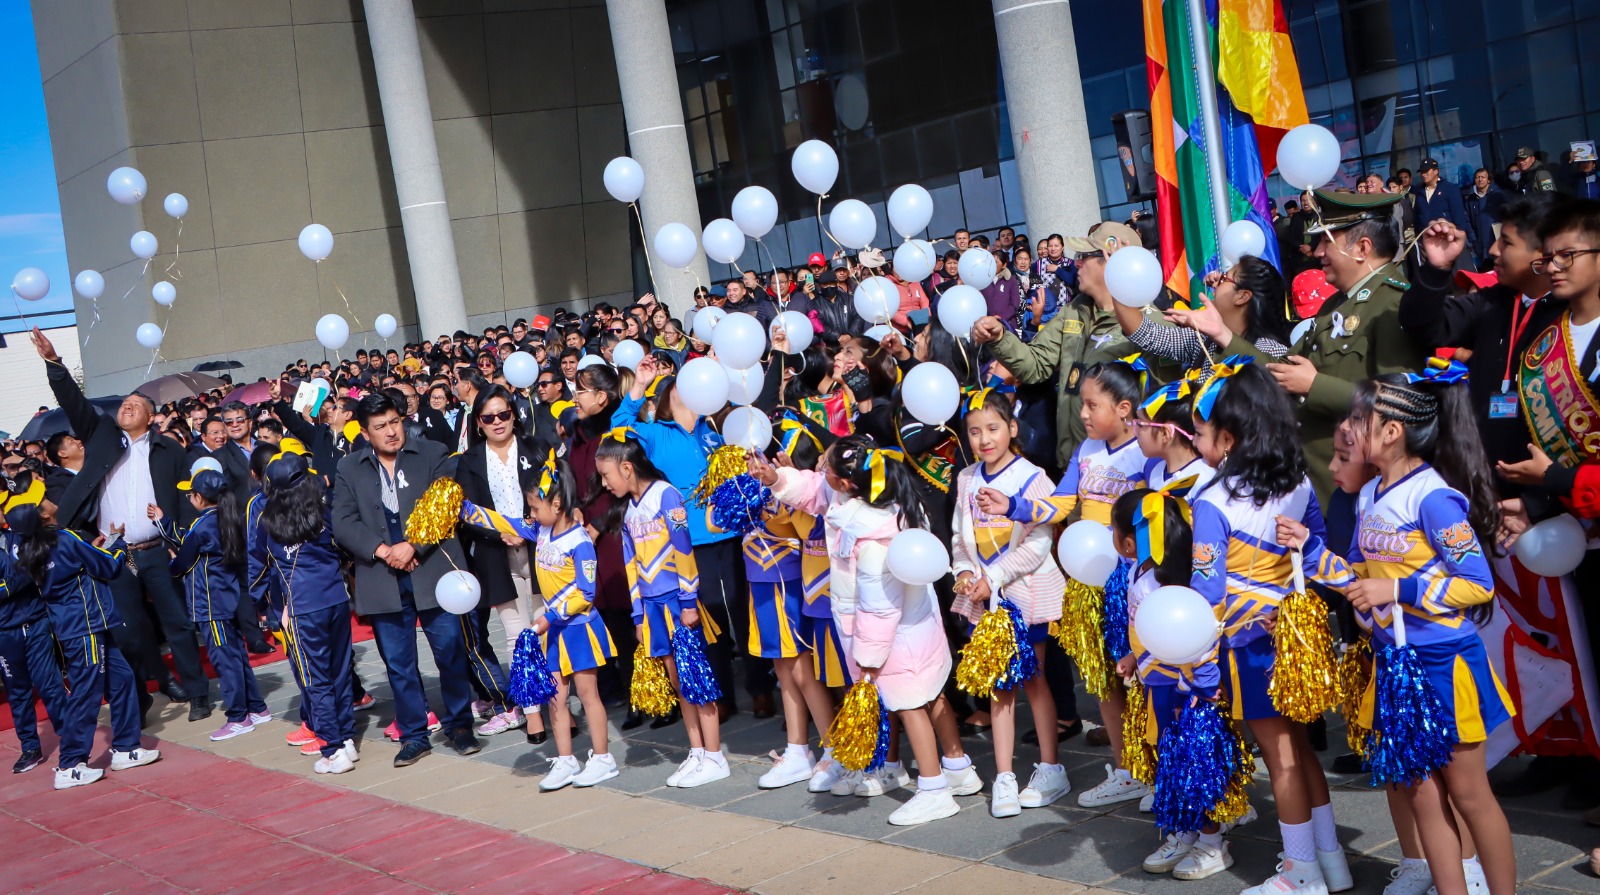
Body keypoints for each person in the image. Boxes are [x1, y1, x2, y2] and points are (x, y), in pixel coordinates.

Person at [1283, 364, 1513, 895]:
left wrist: (1401, 592)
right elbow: (1361, 580)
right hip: (1396, 665)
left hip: (1445, 663)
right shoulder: (1369, 496)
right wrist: (1312, 551)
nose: (1348, 429)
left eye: (1360, 421)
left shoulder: (1433, 497)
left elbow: (1478, 585)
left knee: (1470, 794)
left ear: (1392, 431)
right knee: (1422, 795)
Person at [755, 437, 981, 827]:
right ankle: (959, 767)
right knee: (932, 694)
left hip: (895, 639)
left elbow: (879, 608)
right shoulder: (866, 504)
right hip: (917, 630)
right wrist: (778, 479)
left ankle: (933, 790)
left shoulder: (872, 540)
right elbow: (812, 490)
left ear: (848, 484)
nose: (820, 472)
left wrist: (868, 661)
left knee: (910, 707)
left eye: (826, 467)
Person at [1187, 361, 1348, 895]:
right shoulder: (1299, 483)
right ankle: (1330, 861)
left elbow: (1207, 591)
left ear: (1230, 437)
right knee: (1299, 750)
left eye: (1206, 433)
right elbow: (1317, 552)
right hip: (1295, 639)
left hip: (1247, 643)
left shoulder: (1211, 501)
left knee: (1278, 758)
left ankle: (1300, 872)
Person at [978, 360, 1151, 802]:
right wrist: (1013, 505)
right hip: (1088, 584)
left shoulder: (1145, 452)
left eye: (1093, 404)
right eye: (1082, 404)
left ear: (1125, 407)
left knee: (1148, 679)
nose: (1084, 414)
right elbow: (1058, 503)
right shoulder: (1086, 450)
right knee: (1103, 679)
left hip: (1133, 584)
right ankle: (1128, 768)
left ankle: (1158, 769)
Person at [31, 328, 209, 723]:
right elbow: (74, 402)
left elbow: (182, 500)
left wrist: (180, 540)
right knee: (129, 631)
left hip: (159, 551)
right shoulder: (103, 438)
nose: (125, 408)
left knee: (177, 624)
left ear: (150, 416)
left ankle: (198, 694)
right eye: (123, 404)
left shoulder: (168, 450)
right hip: (116, 555)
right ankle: (145, 696)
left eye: (134, 405)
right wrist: (54, 364)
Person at [1213, 191, 1427, 504]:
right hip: (1318, 480)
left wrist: (1315, 386)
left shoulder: (1393, 305)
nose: (1317, 252)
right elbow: (1283, 368)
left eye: (1326, 242)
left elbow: (1399, 405)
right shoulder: (1335, 303)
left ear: (1362, 249)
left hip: (1360, 490)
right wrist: (1220, 333)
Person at [331, 392, 483, 767]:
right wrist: (385, 551)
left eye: (394, 422)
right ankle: (414, 734)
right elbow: (343, 522)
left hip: (432, 568)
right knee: (398, 663)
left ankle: (460, 725)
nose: (391, 431)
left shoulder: (430, 453)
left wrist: (412, 546)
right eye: (380, 426)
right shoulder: (350, 468)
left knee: (450, 652)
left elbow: (443, 504)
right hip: (382, 575)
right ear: (366, 433)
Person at [615, 356, 770, 719]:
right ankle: (722, 695)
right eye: (681, 389)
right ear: (668, 401)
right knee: (709, 621)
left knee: (746, 614)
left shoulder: (714, 431)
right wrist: (639, 385)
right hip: (689, 545)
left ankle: (761, 689)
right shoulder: (656, 435)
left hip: (731, 535)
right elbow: (618, 428)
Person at [949, 389, 1070, 818]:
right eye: (975, 431)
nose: (984, 439)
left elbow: (1040, 541)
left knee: (1033, 678)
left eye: (993, 428)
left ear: (1012, 429)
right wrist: (963, 572)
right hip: (986, 599)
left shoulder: (1032, 476)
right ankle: (1004, 776)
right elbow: (959, 539)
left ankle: (1051, 768)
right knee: (1000, 685)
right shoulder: (966, 478)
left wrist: (993, 578)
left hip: (1025, 595)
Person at [1110, 485, 1231, 879]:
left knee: (1192, 762)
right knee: (1171, 761)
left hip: (1182, 688)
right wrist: (1132, 657)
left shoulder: (1168, 581)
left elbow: (1188, 634)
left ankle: (1213, 842)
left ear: (1130, 541)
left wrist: (1193, 687)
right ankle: (1185, 831)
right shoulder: (1137, 571)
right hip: (1155, 684)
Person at [597, 429, 727, 788]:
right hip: (652, 608)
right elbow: (630, 565)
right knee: (676, 680)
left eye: (607, 475)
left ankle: (715, 755)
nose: (605, 484)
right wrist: (638, 614)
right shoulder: (627, 509)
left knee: (694, 677)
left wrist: (688, 602)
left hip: (677, 602)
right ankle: (697, 750)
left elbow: (684, 549)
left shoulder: (667, 496)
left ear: (626, 467)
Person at [7, 501, 159, 789]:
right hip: (87, 624)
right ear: (42, 516)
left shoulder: (26, 551)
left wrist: (97, 548)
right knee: (86, 695)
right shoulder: (65, 538)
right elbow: (109, 567)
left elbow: (81, 561)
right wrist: (116, 543)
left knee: (123, 680)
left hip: (76, 625)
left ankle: (126, 747)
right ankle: (69, 764)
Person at [973, 223, 1132, 468]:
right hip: (1072, 466)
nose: (1076, 263)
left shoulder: (1149, 323)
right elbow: (1036, 364)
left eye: (1084, 257)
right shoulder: (1074, 310)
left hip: (1124, 471)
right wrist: (999, 338)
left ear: (1111, 261)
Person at [251, 451, 359, 774]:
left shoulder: (266, 521)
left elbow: (257, 567)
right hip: (336, 600)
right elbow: (342, 548)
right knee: (340, 672)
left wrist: (259, 603)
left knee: (316, 680)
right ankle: (346, 739)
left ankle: (333, 748)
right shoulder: (323, 511)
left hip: (301, 608)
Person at [155, 467, 271, 741]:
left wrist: (172, 561)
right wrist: (165, 523)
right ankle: (256, 707)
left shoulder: (202, 525)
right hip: (227, 598)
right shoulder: (229, 518)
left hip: (210, 604)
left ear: (199, 497)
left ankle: (238, 715)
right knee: (237, 657)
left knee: (225, 659)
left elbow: (182, 561)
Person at [455, 384, 541, 739]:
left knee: (544, 630)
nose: (498, 422)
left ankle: (557, 706)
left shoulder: (536, 448)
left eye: (503, 414)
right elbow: (467, 513)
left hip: (539, 552)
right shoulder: (470, 462)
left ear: (513, 413)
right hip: (496, 557)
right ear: (478, 423)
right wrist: (498, 534)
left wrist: (535, 523)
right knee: (515, 636)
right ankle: (532, 713)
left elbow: (555, 492)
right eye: (489, 418)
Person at [0, 486, 68, 774]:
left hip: (36, 621)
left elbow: (34, 569)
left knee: (50, 683)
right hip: (5, 632)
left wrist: (17, 580)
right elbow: (21, 577)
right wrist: (17, 580)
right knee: (18, 692)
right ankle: (30, 747)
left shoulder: (17, 537)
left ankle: (72, 738)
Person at [1122, 255, 1291, 367]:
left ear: (1242, 296)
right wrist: (1118, 277)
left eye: (1224, 277)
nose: (1215, 279)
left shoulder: (1270, 350)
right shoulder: (1204, 341)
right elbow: (1148, 335)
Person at [1414, 158, 1470, 236]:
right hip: (1425, 238)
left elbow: (1459, 216)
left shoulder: (1450, 188)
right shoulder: (1419, 190)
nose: (1423, 174)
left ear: (1436, 171)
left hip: (1446, 237)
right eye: (1422, 172)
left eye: (1426, 171)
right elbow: (1417, 215)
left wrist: (1459, 233)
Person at [1464, 169, 1506, 269]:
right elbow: (1466, 220)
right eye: (1477, 177)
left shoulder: (1498, 195)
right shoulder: (1470, 198)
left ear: (1489, 180)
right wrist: (1473, 239)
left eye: (1483, 177)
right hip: (1479, 243)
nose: (1480, 180)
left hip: (1497, 240)